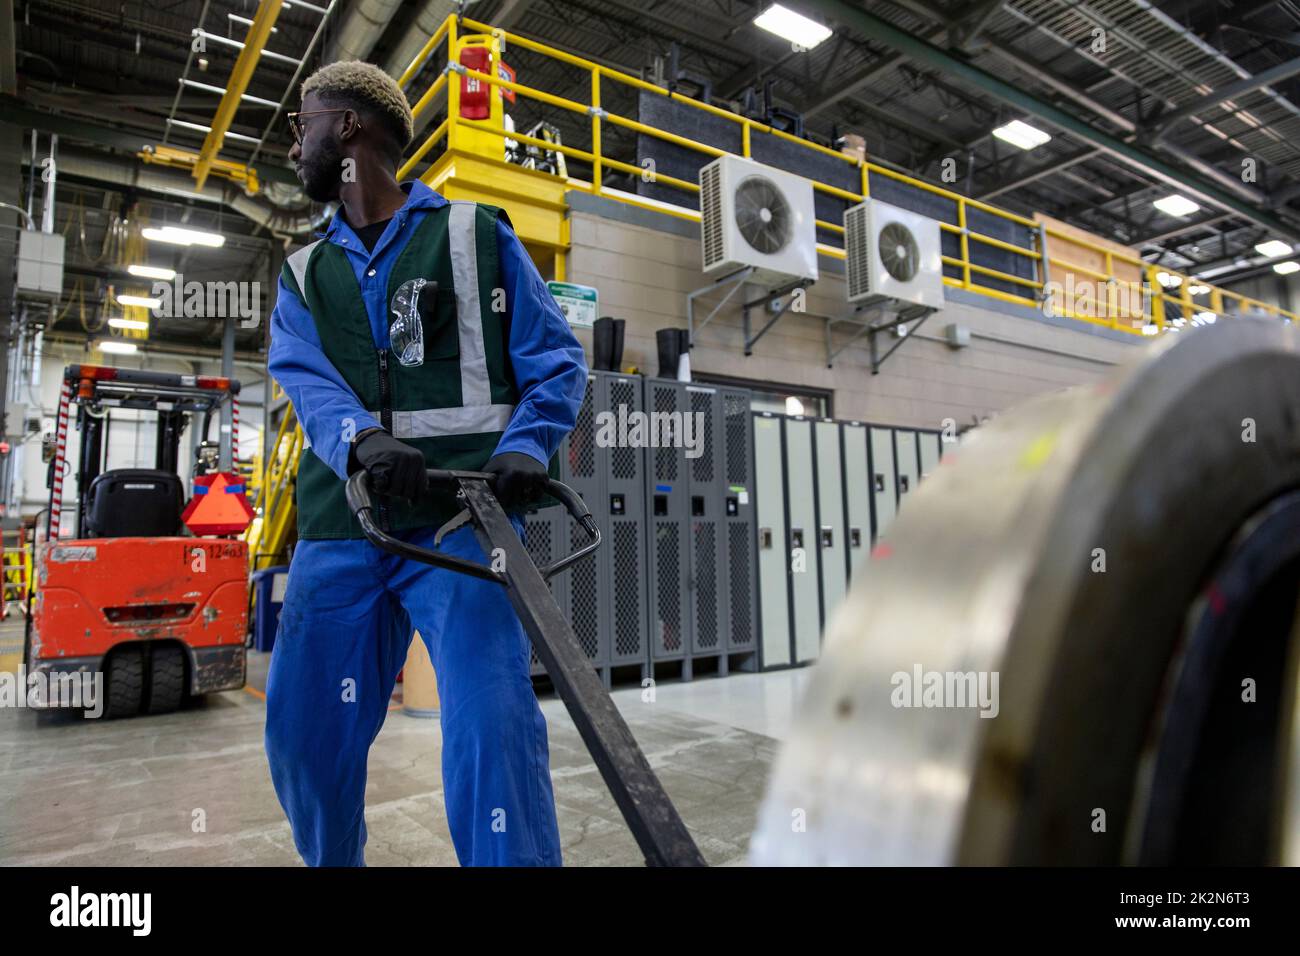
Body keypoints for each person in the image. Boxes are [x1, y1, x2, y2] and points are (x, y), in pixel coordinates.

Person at [264, 60, 587, 867]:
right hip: (344, 528)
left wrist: (522, 446)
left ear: (348, 128)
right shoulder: (305, 275)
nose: (294, 143)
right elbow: (305, 380)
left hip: (461, 526)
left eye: (304, 124)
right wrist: (361, 443)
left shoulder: (477, 235)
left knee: (493, 729)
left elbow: (556, 362)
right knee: (305, 738)